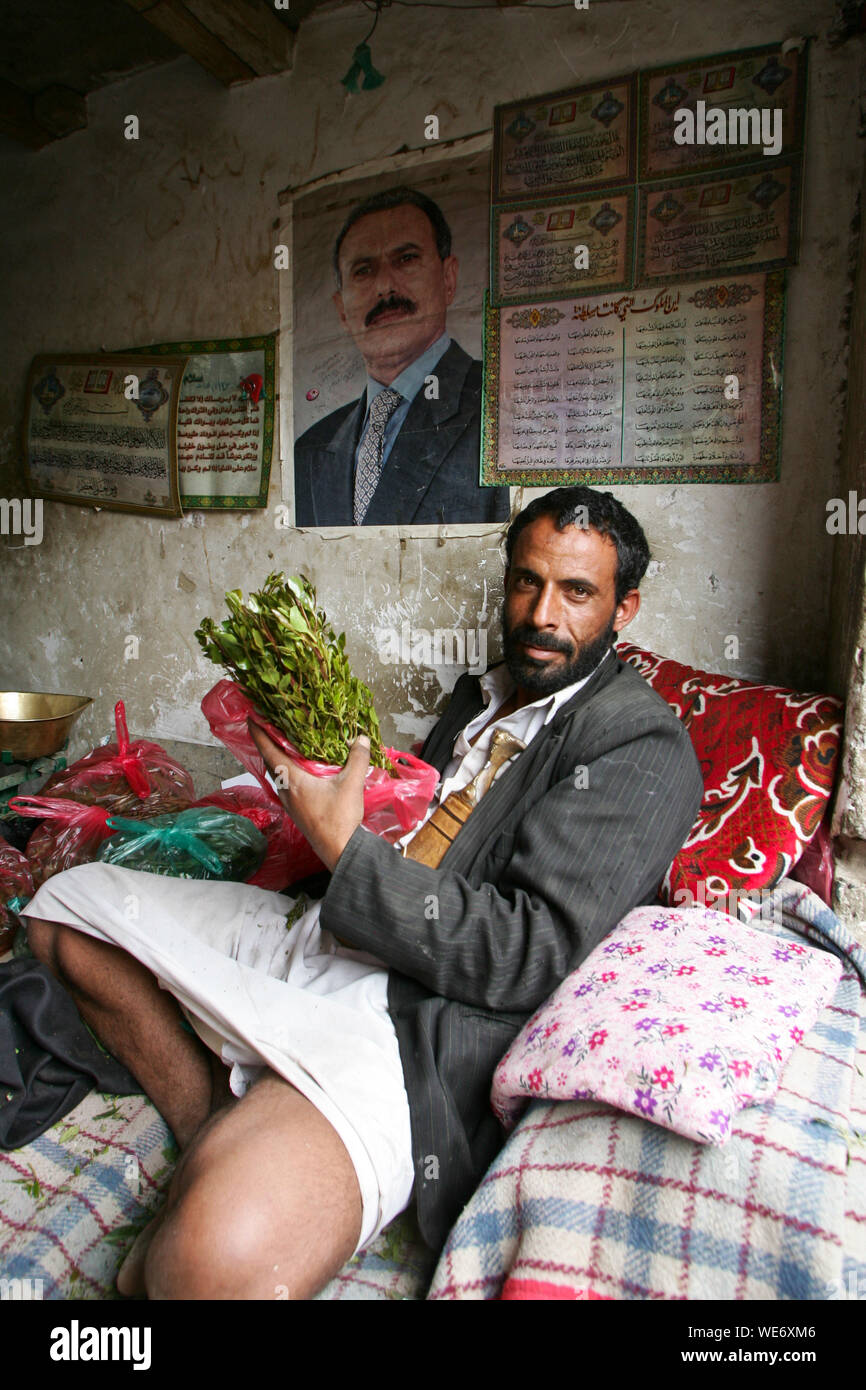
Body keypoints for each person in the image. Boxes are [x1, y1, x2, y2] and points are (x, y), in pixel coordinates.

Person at [23, 486, 703, 1300]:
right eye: (527, 581)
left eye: (577, 591)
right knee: (66, 911)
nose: (541, 614)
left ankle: (263, 1135)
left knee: (201, 1268)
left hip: (408, 1013)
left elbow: (527, 954)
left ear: (625, 607)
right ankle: (212, 1121)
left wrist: (345, 848)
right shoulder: (479, 698)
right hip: (331, 929)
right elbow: (413, 834)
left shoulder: (638, 743)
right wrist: (315, 803)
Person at [293, 185, 510, 527]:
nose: (384, 287)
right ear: (342, 311)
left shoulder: (501, 407)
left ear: (448, 278)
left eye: (406, 259)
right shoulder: (311, 448)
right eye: (363, 270)